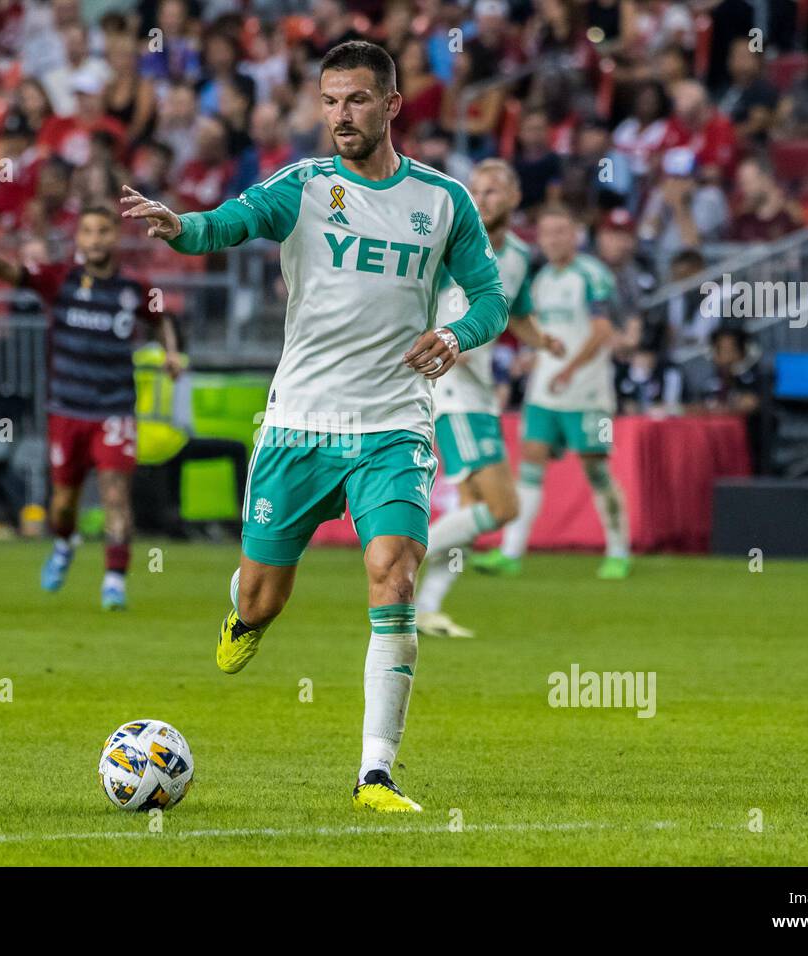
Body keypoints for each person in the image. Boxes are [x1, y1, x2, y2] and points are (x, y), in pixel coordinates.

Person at [122, 41, 507, 813]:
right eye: (330, 101)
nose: (341, 115)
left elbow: (491, 297)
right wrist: (181, 225)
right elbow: (232, 221)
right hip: (299, 423)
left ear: (393, 105)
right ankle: (245, 611)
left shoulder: (443, 202)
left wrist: (458, 335)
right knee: (265, 598)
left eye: (358, 99)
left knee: (394, 572)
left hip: (393, 424)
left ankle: (375, 775)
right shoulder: (303, 186)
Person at [0, 208, 181, 611]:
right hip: (67, 409)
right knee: (64, 503)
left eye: (103, 231)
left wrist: (171, 354)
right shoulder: (60, 278)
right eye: (88, 232)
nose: (95, 239)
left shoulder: (134, 288)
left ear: (115, 237)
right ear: (79, 239)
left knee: (116, 496)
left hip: (114, 410)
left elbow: (161, 318)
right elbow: (15, 274)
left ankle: (114, 580)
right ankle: (65, 543)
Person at [414, 159, 562, 639]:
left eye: (494, 190)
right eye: (476, 189)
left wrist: (544, 342)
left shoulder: (518, 254)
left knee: (475, 510)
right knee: (504, 507)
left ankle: (426, 608)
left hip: (479, 392)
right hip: (450, 386)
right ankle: (400, 564)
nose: (482, 198)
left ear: (516, 198)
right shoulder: (450, 241)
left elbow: (516, 313)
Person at [474, 204, 632, 580]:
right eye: (547, 233)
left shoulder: (592, 275)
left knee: (596, 468)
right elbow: (541, 331)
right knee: (530, 462)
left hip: (587, 391)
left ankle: (618, 550)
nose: (553, 240)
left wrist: (570, 369)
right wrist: (532, 357)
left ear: (576, 234)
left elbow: (602, 330)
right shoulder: (541, 279)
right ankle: (511, 551)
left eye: (561, 231)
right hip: (544, 390)